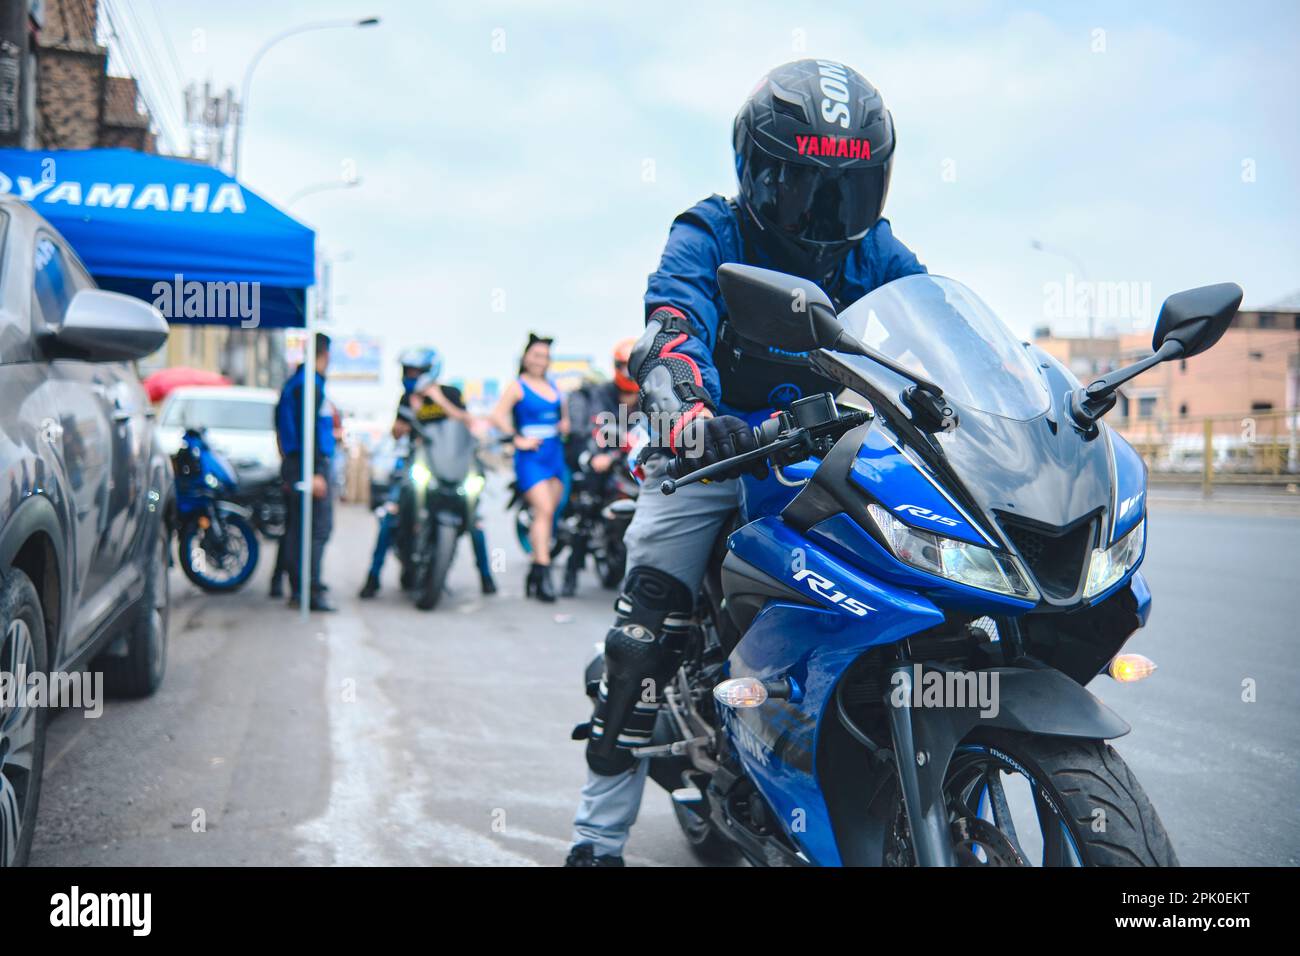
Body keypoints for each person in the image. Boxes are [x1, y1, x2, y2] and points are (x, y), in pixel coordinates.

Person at [565, 59, 928, 866]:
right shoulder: (710, 231)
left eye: (849, 188)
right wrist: (690, 412)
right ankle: (596, 839)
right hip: (715, 453)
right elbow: (672, 324)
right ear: (757, 170)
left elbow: (931, 333)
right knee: (644, 634)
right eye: (805, 184)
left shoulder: (879, 253)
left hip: (836, 454)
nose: (827, 209)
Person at [490, 333, 569, 602]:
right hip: (530, 457)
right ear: (525, 357)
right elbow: (497, 416)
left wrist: (564, 426)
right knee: (543, 510)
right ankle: (544, 574)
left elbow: (564, 418)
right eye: (536, 355)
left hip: (554, 454)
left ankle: (535, 572)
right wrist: (517, 438)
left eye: (545, 356)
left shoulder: (555, 386)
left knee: (550, 513)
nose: (541, 360)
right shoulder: (517, 386)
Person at [559, 338, 639, 596]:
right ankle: (571, 573)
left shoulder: (650, 394)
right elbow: (595, 426)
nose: (629, 372)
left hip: (637, 459)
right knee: (587, 505)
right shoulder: (602, 393)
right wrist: (602, 455)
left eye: (633, 366)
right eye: (624, 366)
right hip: (605, 457)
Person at [276, 333, 337, 613]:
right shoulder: (308, 385)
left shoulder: (297, 383)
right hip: (308, 464)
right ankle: (307, 592)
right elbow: (308, 429)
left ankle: (297, 587)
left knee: (299, 527)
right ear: (325, 354)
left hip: (297, 462)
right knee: (315, 529)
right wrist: (313, 472)